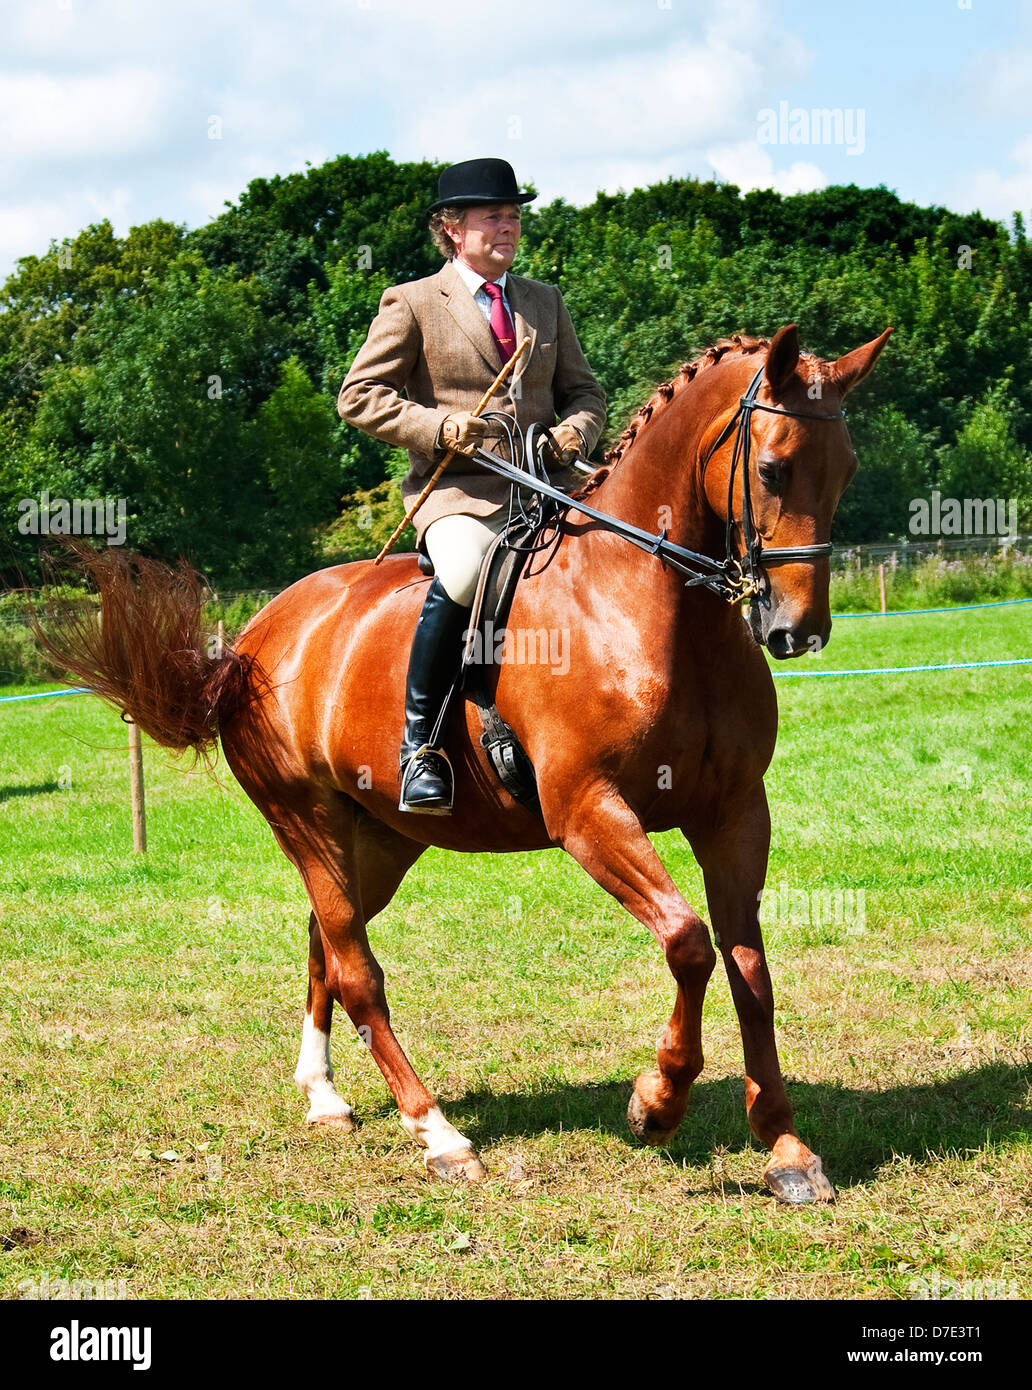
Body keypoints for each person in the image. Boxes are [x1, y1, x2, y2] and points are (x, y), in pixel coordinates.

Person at [338, 157, 606, 814]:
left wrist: (575, 434)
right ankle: (421, 749)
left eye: (514, 216)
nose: (508, 227)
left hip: (551, 483)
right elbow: (358, 396)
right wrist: (439, 425)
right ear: (452, 228)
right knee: (464, 573)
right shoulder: (414, 302)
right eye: (494, 217)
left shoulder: (544, 301)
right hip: (463, 494)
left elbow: (586, 392)